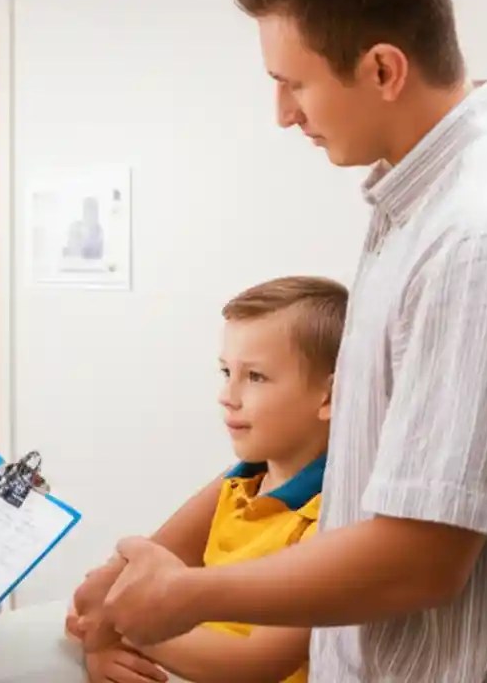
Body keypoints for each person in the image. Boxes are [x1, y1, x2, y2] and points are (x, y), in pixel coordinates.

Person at [75, 0, 487, 682]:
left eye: (294, 84)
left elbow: (419, 560)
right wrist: (137, 586)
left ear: (383, 69)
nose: (282, 112)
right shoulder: (421, 216)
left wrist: (187, 598)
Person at [69, 276, 347, 683]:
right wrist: (101, 644)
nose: (227, 395)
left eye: (255, 377)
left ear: (328, 398)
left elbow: (254, 663)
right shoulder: (239, 482)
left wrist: (117, 627)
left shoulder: (332, 514)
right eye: (225, 372)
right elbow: (117, 582)